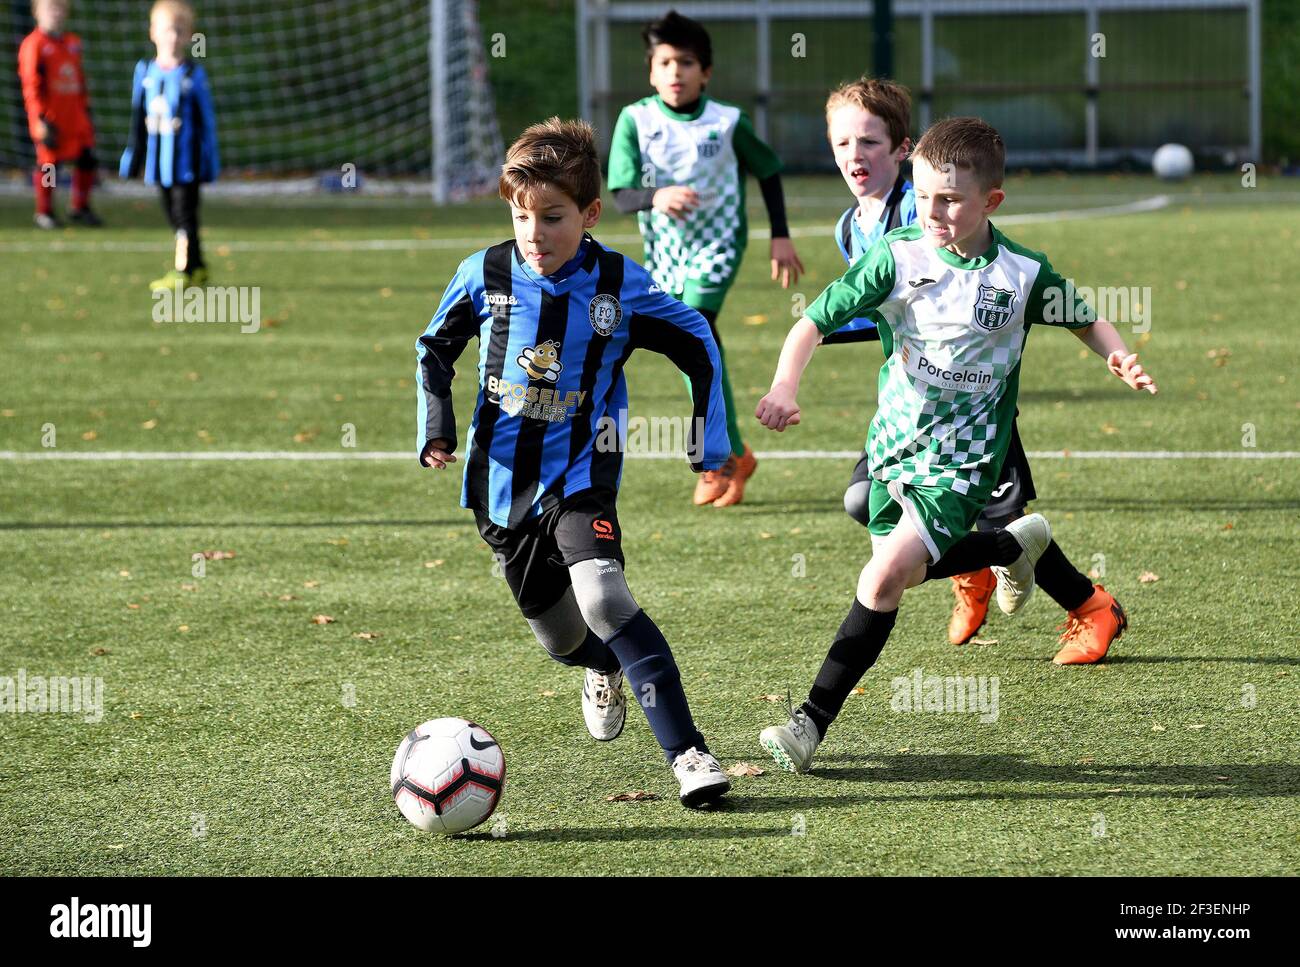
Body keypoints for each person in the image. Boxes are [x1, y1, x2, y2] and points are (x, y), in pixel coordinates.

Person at [756, 117, 1158, 773]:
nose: (934, 210)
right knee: (902, 573)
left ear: (990, 202)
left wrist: (1118, 356)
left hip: (965, 462)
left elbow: (1085, 316)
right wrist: (784, 385)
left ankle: (808, 725)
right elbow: (813, 321)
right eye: (924, 195)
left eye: (951, 199)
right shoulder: (896, 256)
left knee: (882, 576)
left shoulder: (1021, 274)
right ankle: (1009, 544)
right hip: (893, 446)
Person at [416, 117, 733, 808]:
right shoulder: (486, 273)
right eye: (521, 215)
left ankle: (689, 754)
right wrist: (435, 426)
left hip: (584, 474)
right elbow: (433, 349)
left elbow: (697, 340)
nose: (534, 233)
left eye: (552, 217)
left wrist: (708, 443)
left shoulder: (619, 286)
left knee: (605, 598)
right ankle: (603, 668)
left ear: (590, 214)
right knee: (563, 639)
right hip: (500, 487)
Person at [823, 78, 1125, 666]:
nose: (855, 156)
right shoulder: (852, 227)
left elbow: (980, 286)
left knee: (1003, 516)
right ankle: (975, 566)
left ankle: (1090, 605)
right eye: (841, 143)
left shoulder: (928, 210)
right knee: (868, 501)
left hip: (976, 410)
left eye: (870, 143)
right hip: (916, 409)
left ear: (903, 150)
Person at [607, 9, 805, 507]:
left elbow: (769, 169)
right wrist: (655, 197)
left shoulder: (728, 121)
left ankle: (716, 457)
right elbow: (622, 193)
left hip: (719, 245)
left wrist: (780, 235)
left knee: (694, 327)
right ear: (651, 71)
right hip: (666, 252)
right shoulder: (636, 120)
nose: (676, 72)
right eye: (666, 62)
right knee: (689, 345)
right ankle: (733, 452)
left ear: (706, 72)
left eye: (687, 62)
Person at [119, 0, 219, 291]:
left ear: (189, 36)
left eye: (179, 31)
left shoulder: (192, 75)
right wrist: (133, 158)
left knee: (184, 214)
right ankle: (198, 266)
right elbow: (138, 118)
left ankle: (182, 270)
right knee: (172, 213)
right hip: (157, 163)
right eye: (167, 30)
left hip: (187, 163)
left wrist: (209, 160)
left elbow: (207, 122)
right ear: (153, 33)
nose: (172, 37)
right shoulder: (145, 72)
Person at [18, 0, 102, 229]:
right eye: (49, 9)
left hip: (75, 115)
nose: (55, 13)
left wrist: (86, 109)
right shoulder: (33, 45)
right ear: (37, 13)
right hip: (50, 117)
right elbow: (31, 86)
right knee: (50, 165)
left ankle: (79, 206)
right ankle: (44, 211)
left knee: (88, 158)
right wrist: (38, 119)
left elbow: (79, 80)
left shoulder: (73, 43)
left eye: (59, 8)